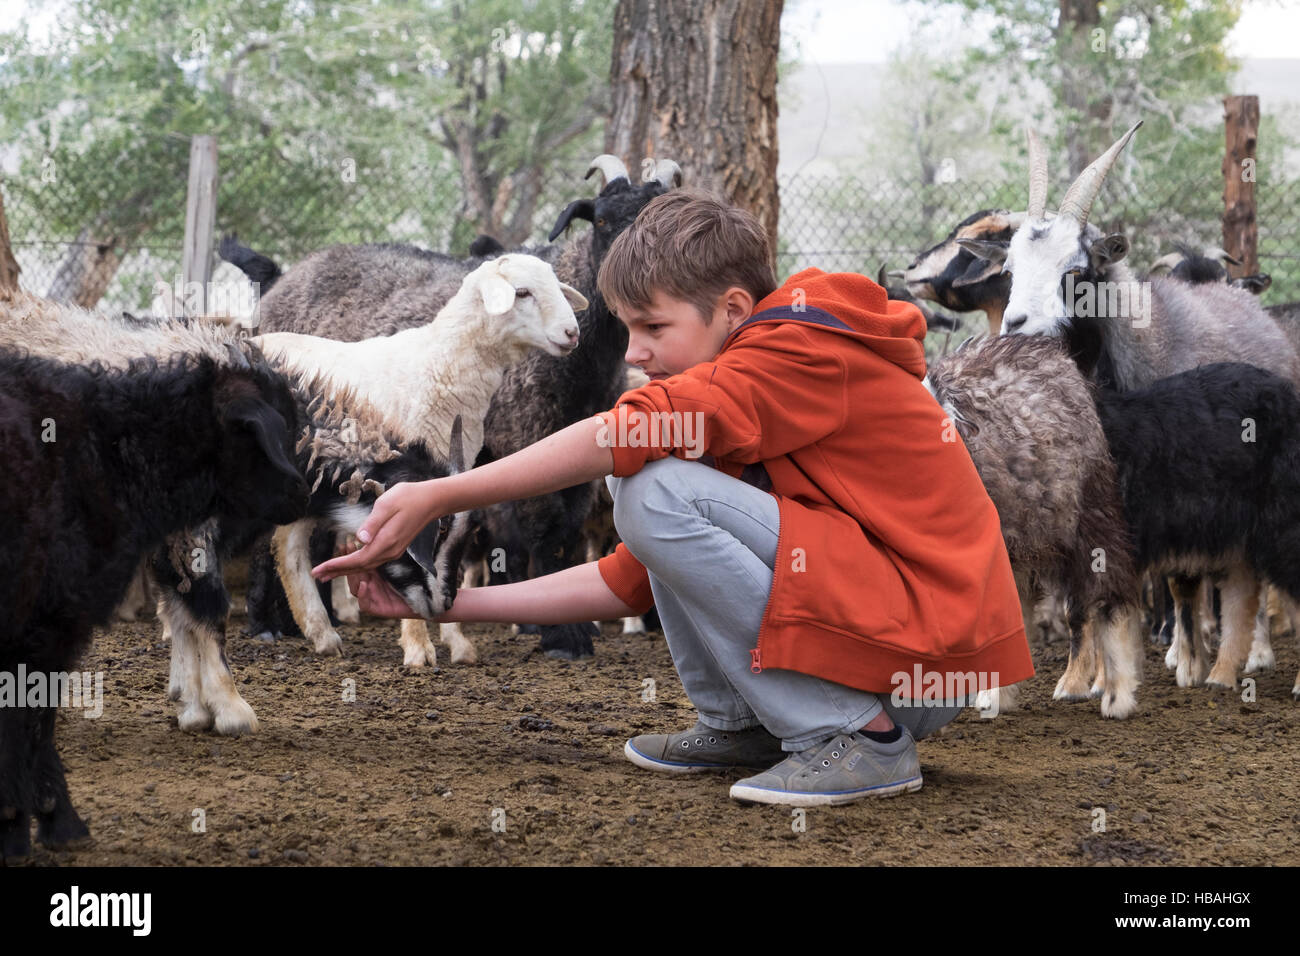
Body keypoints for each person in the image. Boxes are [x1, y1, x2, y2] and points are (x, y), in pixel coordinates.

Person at [313, 188, 1033, 807]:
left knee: (648, 480)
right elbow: (629, 577)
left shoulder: (800, 347)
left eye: (653, 327)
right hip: (893, 644)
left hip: (925, 666)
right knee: (650, 483)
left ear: (732, 308)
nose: (633, 352)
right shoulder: (736, 386)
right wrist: (443, 604)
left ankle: (856, 737)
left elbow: (624, 434)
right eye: (627, 329)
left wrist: (440, 492)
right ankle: (749, 724)